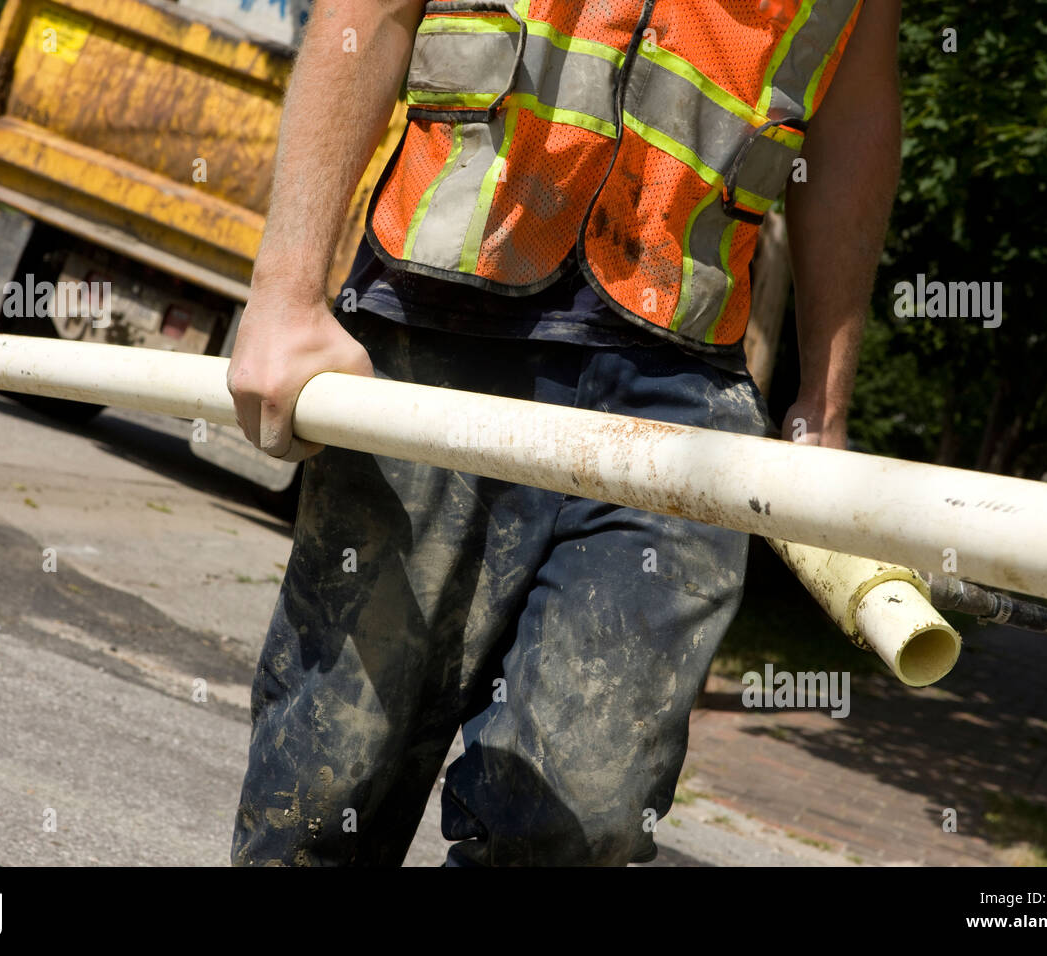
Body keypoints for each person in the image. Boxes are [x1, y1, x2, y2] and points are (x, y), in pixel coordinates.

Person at [228, 0, 900, 866]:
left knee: (580, 821)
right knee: (323, 791)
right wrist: (286, 287)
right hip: (434, 331)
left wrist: (824, 408)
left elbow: (853, 124)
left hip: (681, 389)